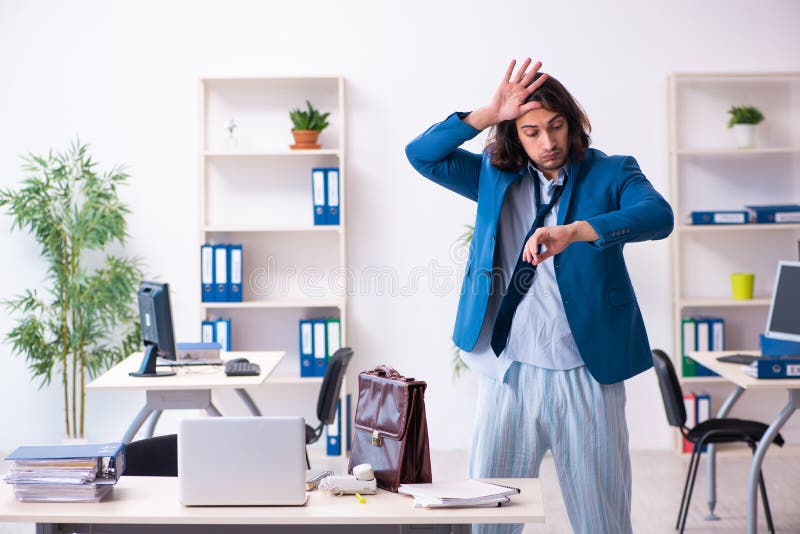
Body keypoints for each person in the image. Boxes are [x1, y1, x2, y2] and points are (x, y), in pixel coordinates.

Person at [405, 59, 674, 534]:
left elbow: (658, 216)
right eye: (531, 131)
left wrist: (578, 231)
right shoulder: (493, 174)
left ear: (572, 123)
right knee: (489, 519)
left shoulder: (612, 172)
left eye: (556, 126)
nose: (548, 142)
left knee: (603, 520)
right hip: (509, 371)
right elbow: (422, 154)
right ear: (515, 133)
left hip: (586, 371)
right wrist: (488, 113)